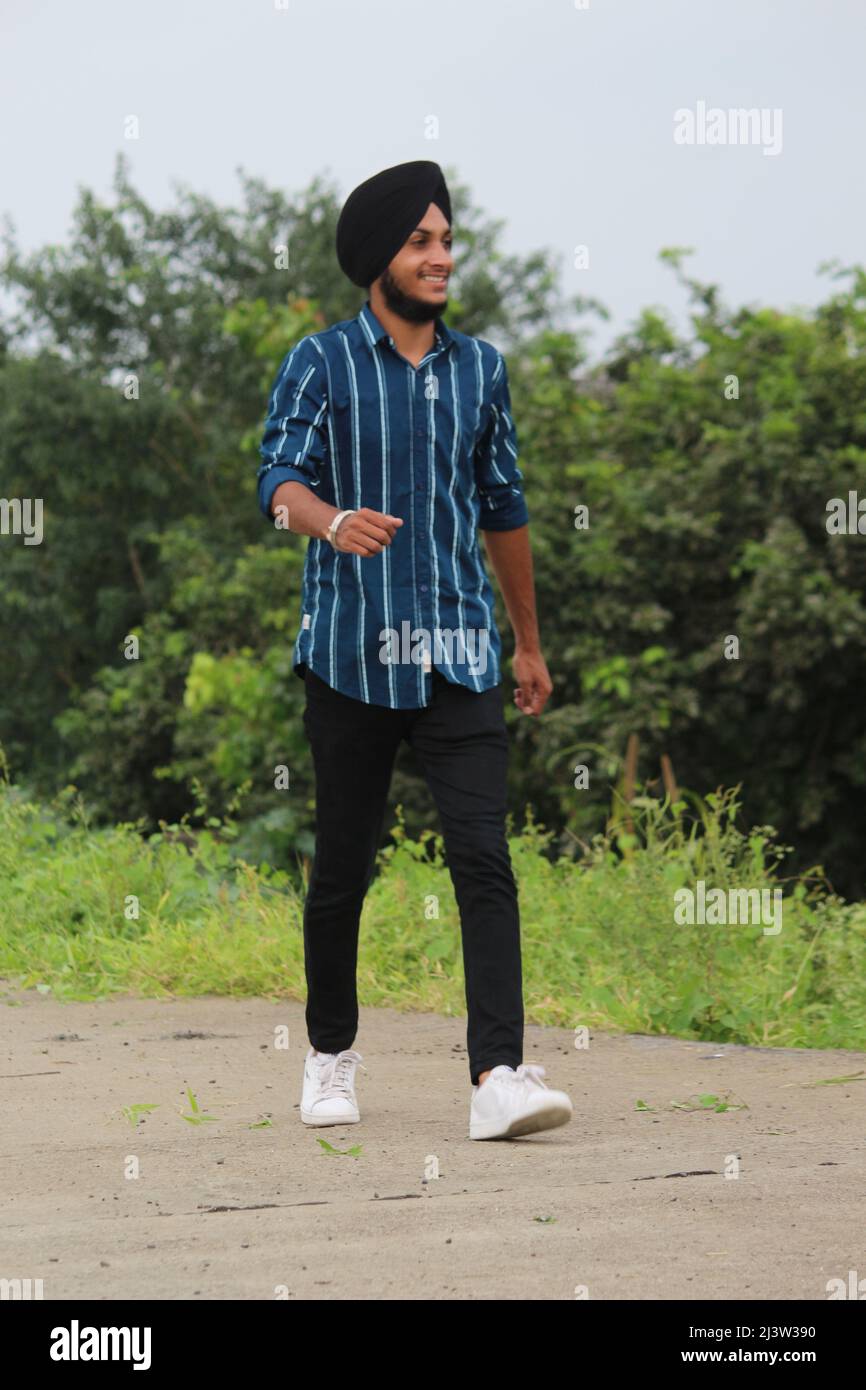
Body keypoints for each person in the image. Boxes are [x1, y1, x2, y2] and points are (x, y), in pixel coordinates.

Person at [257, 160, 573, 1140]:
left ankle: (495, 1077)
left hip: (460, 654)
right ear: (377, 262)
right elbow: (279, 476)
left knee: (483, 858)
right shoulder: (321, 363)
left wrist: (525, 642)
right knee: (342, 866)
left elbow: (504, 506)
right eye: (420, 243)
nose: (441, 257)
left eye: (445, 240)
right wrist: (328, 517)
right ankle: (328, 1057)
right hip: (350, 657)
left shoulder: (481, 369)